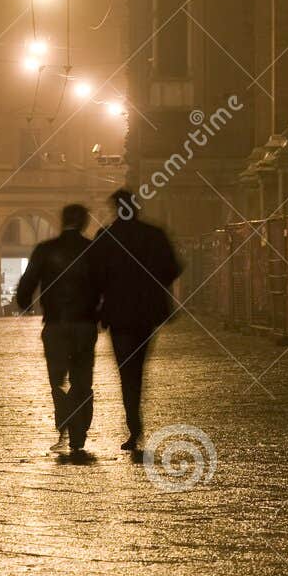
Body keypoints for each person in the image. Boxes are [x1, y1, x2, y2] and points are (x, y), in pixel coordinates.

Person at [92, 189, 183, 454]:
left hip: (118, 312)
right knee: (138, 367)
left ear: (115, 208)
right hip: (146, 312)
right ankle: (135, 424)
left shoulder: (107, 236)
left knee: (126, 369)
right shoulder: (154, 235)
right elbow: (174, 267)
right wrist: (153, 284)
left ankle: (134, 425)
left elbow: (95, 275)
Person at [15, 204, 101, 461]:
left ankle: (64, 416)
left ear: (62, 222)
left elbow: (28, 281)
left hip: (55, 325)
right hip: (85, 325)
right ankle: (79, 430)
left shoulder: (45, 250)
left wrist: (24, 302)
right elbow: (105, 284)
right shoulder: (92, 250)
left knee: (57, 380)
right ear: (85, 223)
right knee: (82, 379)